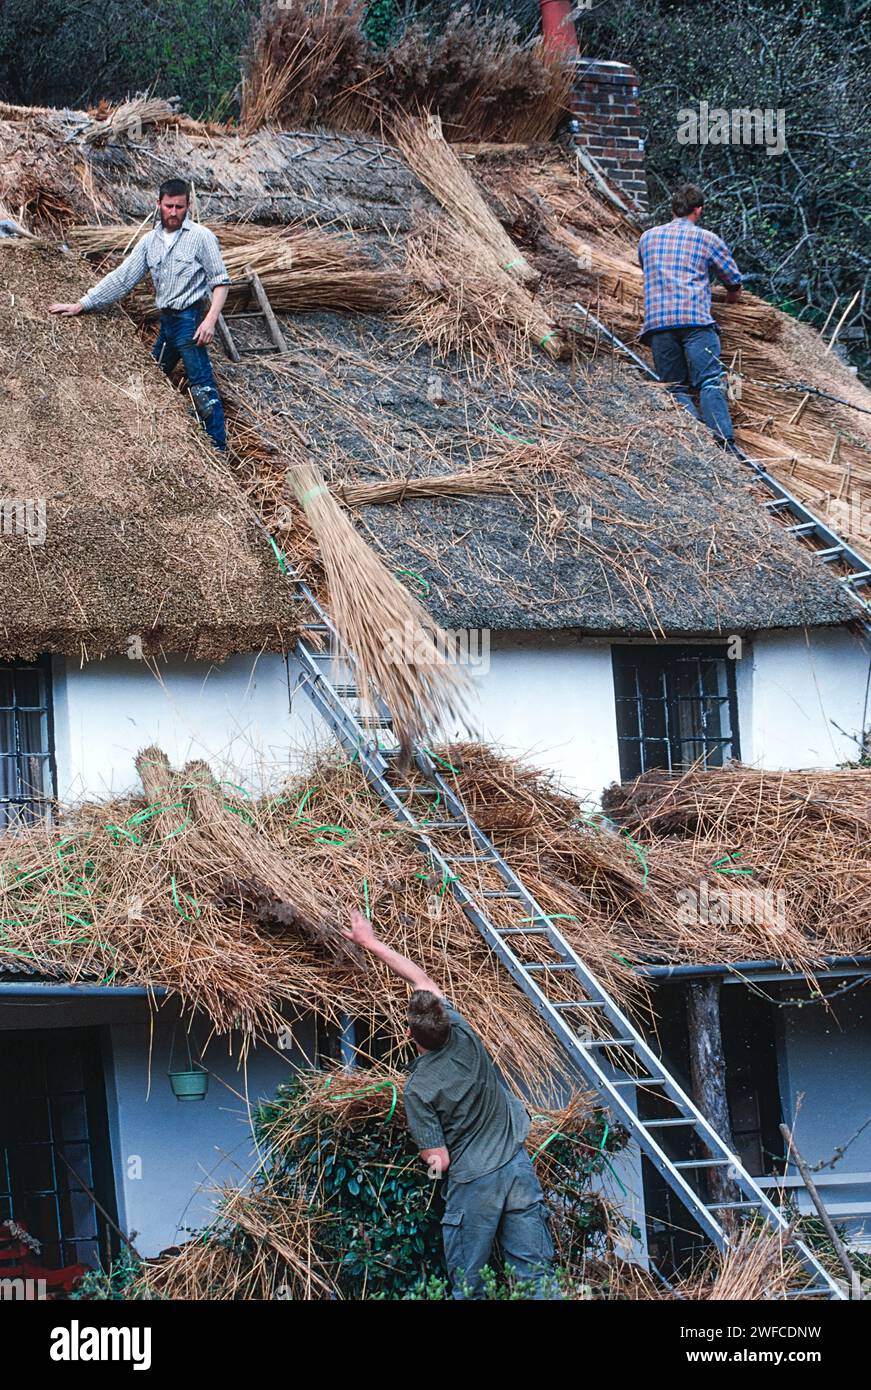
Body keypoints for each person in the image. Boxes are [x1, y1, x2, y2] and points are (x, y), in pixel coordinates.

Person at [342, 908, 562, 1300]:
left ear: (411, 1035)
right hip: (516, 1167)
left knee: (468, 1285)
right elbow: (421, 979)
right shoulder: (463, 1032)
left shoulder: (418, 1089)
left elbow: (439, 1160)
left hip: (475, 1184)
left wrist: (426, 1174)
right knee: (536, 1280)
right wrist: (370, 942)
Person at [49, 179, 231, 451]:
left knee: (202, 387)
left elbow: (221, 282)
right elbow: (123, 278)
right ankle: (147, 432)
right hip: (167, 321)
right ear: (158, 205)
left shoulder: (201, 237)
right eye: (168, 206)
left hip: (190, 320)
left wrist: (210, 320)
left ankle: (218, 449)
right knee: (152, 374)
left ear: (188, 206)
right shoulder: (150, 242)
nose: (173, 212)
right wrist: (82, 304)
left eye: (179, 207)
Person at [638, 182, 743, 449]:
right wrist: (732, 299)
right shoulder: (707, 239)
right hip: (696, 322)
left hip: (659, 324)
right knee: (709, 381)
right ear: (698, 210)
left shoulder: (647, 238)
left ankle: (696, 443)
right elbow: (732, 279)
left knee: (674, 386)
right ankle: (722, 441)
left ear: (673, 209)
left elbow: (647, 268)